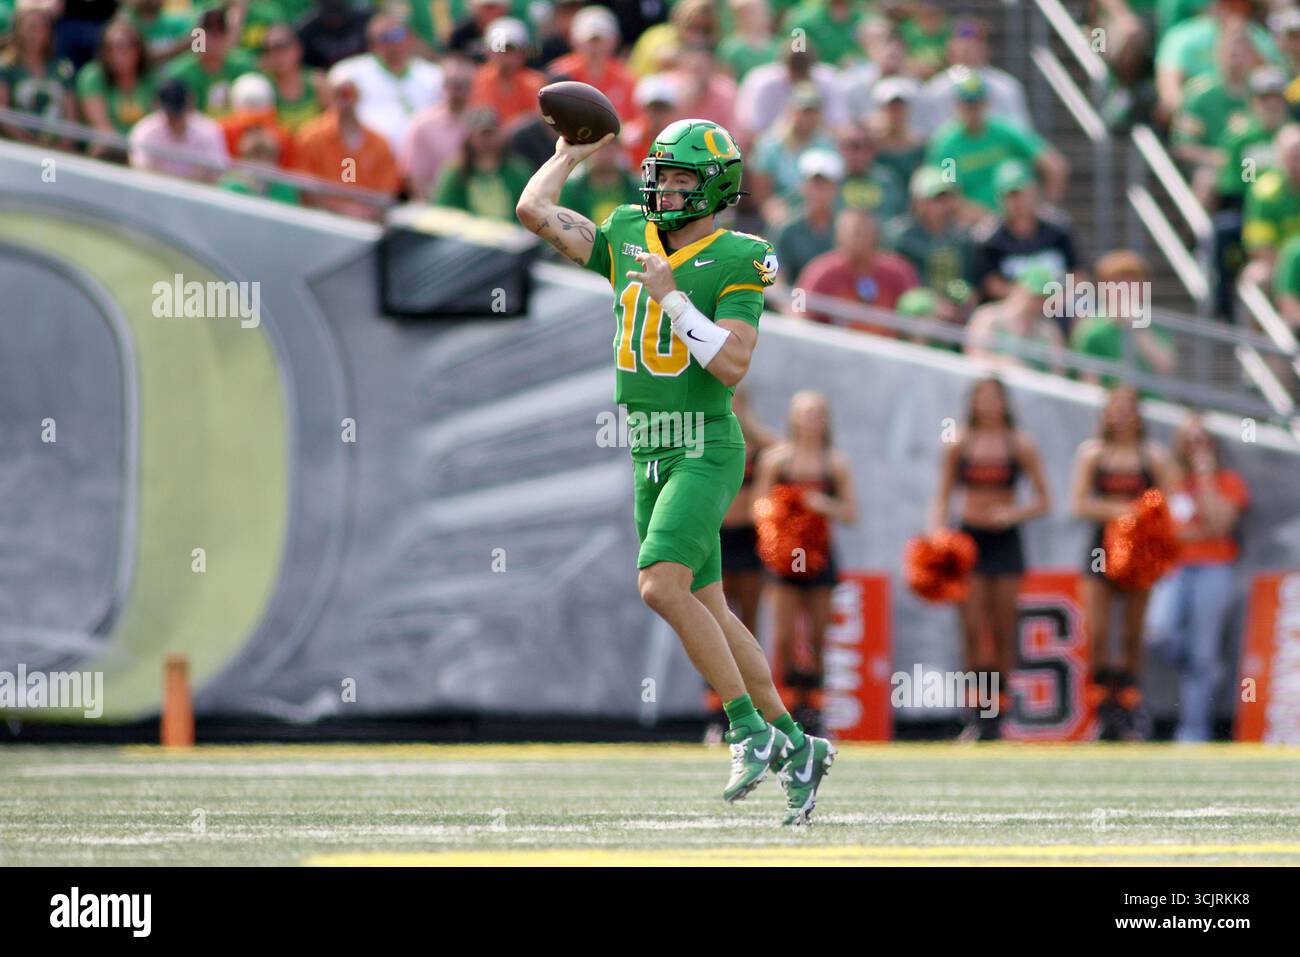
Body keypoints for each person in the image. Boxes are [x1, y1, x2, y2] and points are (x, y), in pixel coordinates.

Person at [516, 117, 837, 825]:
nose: (664, 190)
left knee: (660, 585)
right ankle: (797, 744)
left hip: (703, 443)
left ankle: (746, 729)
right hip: (648, 447)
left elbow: (733, 363)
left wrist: (671, 297)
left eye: (682, 178)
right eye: (661, 176)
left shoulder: (739, 255)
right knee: (710, 607)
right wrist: (567, 155)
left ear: (716, 188)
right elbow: (534, 210)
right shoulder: (630, 230)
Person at [929, 377, 1050, 740]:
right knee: (971, 627)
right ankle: (976, 711)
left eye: (994, 398)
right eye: (981, 398)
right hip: (969, 539)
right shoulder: (960, 442)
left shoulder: (1019, 443)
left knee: (1002, 627)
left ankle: (1000, 710)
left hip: (1006, 541)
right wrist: (937, 536)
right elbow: (942, 496)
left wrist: (1012, 514)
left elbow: (1044, 500)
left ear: (1005, 403)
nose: (988, 404)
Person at [1069, 384, 1178, 741]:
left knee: (1132, 633)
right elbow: (1080, 503)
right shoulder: (1093, 454)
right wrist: (1126, 511)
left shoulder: (1153, 456)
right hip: (1100, 548)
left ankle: (1129, 707)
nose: (1120, 415)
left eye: (1127, 408)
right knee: (1097, 632)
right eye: (1114, 408)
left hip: (1140, 554)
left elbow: (1169, 502)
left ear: (1138, 415)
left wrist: (1143, 520)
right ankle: (1102, 710)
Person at [752, 390, 858, 735]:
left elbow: (851, 513)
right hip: (784, 559)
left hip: (820, 558)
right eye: (805, 412)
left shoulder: (834, 463)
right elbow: (758, 507)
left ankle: (814, 711)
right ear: (793, 418)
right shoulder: (777, 461)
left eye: (817, 413)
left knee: (818, 636)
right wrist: (783, 514)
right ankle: (783, 710)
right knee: (782, 637)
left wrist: (821, 504)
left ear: (826, 420)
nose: (811, 419)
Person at [1145, 414, 1249, 743]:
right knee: (1158, 633)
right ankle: (1200, 662)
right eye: (1188, 440)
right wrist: (1195, 532)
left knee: (1203, 653)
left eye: (1201, 439)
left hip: (1214, 567)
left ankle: (1193, 731)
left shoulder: (1227, 481)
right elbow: (1159, 532)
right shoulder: (1170, 482)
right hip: (1174, 568)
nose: (1195, 447)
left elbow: (1219, 525)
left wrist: (1205, 480)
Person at [924, 68, 1067, 217]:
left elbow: (1054, 166)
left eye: (976, 103)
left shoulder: (1006, 133)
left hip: (1016, 218)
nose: (972, 109)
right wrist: (986, 219)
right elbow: (948, 194)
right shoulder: (947, 146)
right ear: (957, 105)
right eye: (967, 103)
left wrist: (1046, 209)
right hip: (971, 223)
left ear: (986, 103)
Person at [293, 67, 400, 220]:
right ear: (329, 96)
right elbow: (306, 186)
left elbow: (386, 190)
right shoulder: (311, 137)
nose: (345, 100)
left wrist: (364, 212)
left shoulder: (379, 143)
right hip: (322, 220)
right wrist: (341, 209)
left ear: (358, 96)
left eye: (349, 94)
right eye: (339, 94)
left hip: (367, 223)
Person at [330, 13, 444, 156]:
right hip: (373, 158)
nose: (392, 43)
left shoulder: (433, 75)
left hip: (425, 158)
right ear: (372, 44)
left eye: (397, 35)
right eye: (383, 38)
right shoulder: (349, 73)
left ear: (409, 37)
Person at [794, 206, 921, 332]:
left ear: (876, 236)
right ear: (839, 235)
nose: (860, 239)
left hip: (885, 344)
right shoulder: (820, 270)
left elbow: (918, 308)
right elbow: (797, 304)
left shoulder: (897, 270)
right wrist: (800, 320)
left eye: (866, 233)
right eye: (855, 233)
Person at [76, 17, 154, 158]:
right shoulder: (93, 76)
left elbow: (156, 125)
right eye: (110, 47)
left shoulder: (150, 79)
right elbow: (103, 128)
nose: (117, 54)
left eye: (125, 46)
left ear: (138, 50)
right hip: (110, 153)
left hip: (143, 153)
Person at [0, 4, 77, 147]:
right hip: (17, 147)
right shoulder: (6, 67)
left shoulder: (62, 68)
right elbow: (2, 112)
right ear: (18, 30)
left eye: (42, 27)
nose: (36, 33)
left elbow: (70, 116)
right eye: (31, 27)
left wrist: (63, 144)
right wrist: (29, 142)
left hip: (56, 149)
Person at [965, 267, 1067, 373]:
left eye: (1044, 298)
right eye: (1035, 295)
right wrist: (1008, 365)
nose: (1038, 302)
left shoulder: (1050, 332)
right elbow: (973, 355)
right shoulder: (988, 317)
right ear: (1018, 287)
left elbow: (1057, 372)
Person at [128, 78, 229, 182]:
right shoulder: (145, 132)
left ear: (190, 104)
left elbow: (217, 173)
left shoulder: (209, 131)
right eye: (170, 114)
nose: (174, 119)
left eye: (179, 113)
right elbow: (141, 171)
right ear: (157, 106)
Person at [402, 54, 475, 200]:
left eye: (463, 84)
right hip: (437, 206)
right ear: (443, 85)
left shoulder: (481, 125)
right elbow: (417, 179)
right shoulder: (424, 125)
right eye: (452, 84)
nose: (457, 91)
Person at [467, 17, 548, 127]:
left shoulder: (535, 83)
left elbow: (540, 121)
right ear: (487, 52)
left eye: (509, 50)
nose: (503, 55)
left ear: (523, 53)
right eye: (498, 48)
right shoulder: (478, 80)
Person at [261, 22, 324, 134]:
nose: (274, 54)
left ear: (297, 49)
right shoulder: (264, 90)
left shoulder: (318, 84)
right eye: (267, 49)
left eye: (280, 47)